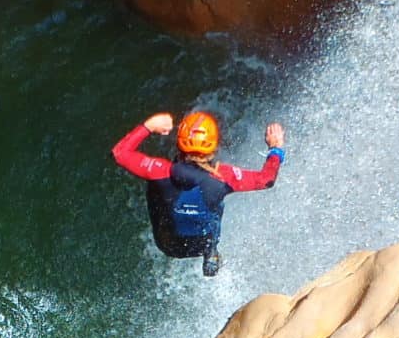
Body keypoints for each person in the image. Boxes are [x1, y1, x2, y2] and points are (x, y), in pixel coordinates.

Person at [112, 109, 286, 277]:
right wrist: (275, 148)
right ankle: (211, 254)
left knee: (155, 186)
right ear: (214, 146)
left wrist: (149, 126)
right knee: (215, 199)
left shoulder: (159, 171)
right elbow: (266, 179)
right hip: (200, 246)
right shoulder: (223, 176)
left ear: (179, 143)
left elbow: (120, 153)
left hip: (167, 245)